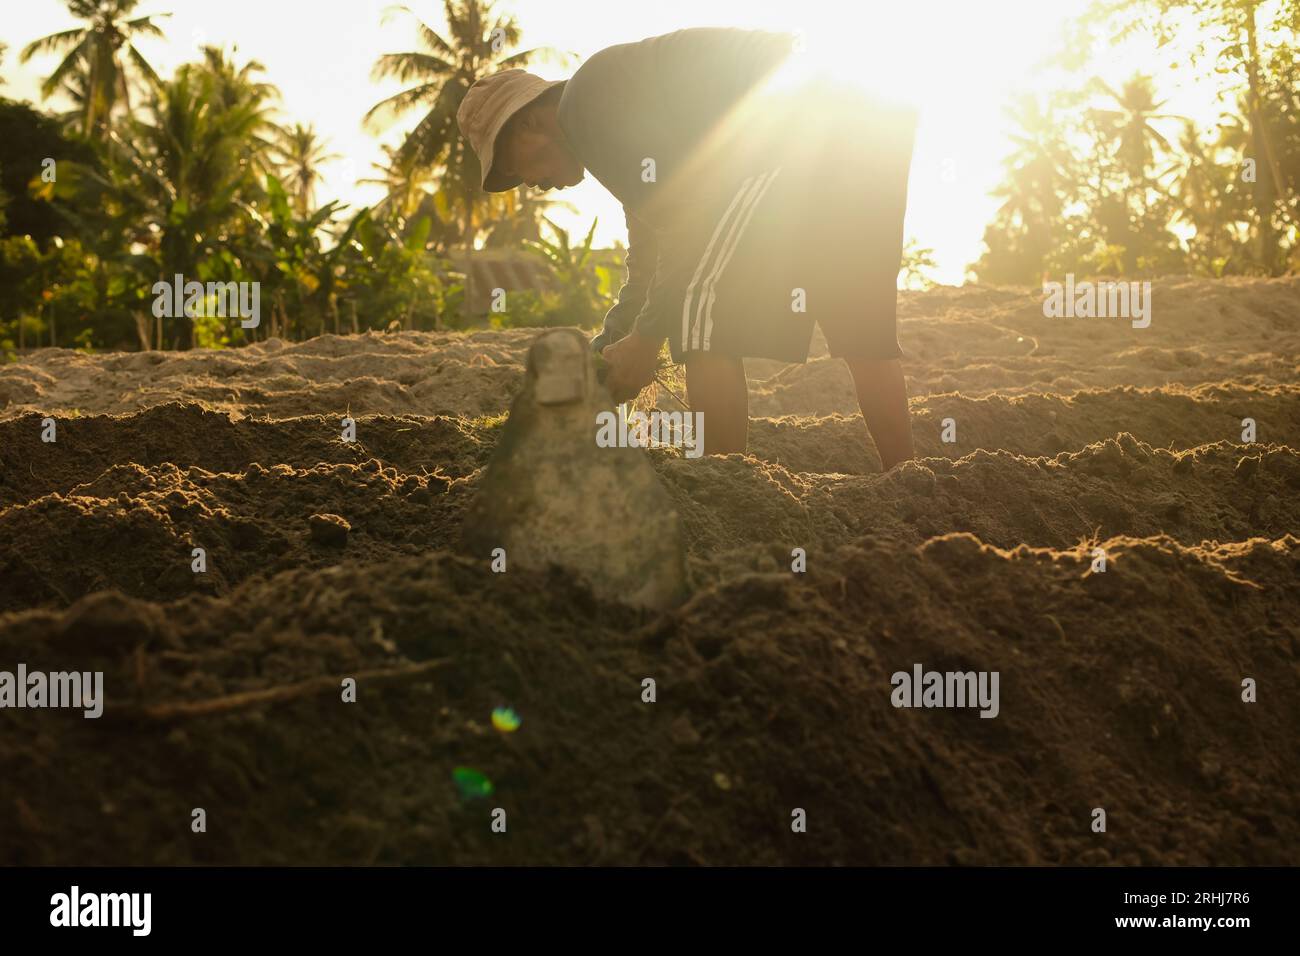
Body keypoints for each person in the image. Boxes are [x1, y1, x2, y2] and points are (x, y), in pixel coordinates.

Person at [456, 27, 917, 467]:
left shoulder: (586, 107)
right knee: (858, 320)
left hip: (795, 124)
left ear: (529, 123)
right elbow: (650, 258)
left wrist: (647, 341)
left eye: (517, 171)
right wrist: (611, 348)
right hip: (871, 121)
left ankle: (724, 484)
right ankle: (908, 484)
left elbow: (686, 227)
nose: (534, 186)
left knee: (701, 312)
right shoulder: (611, 107)